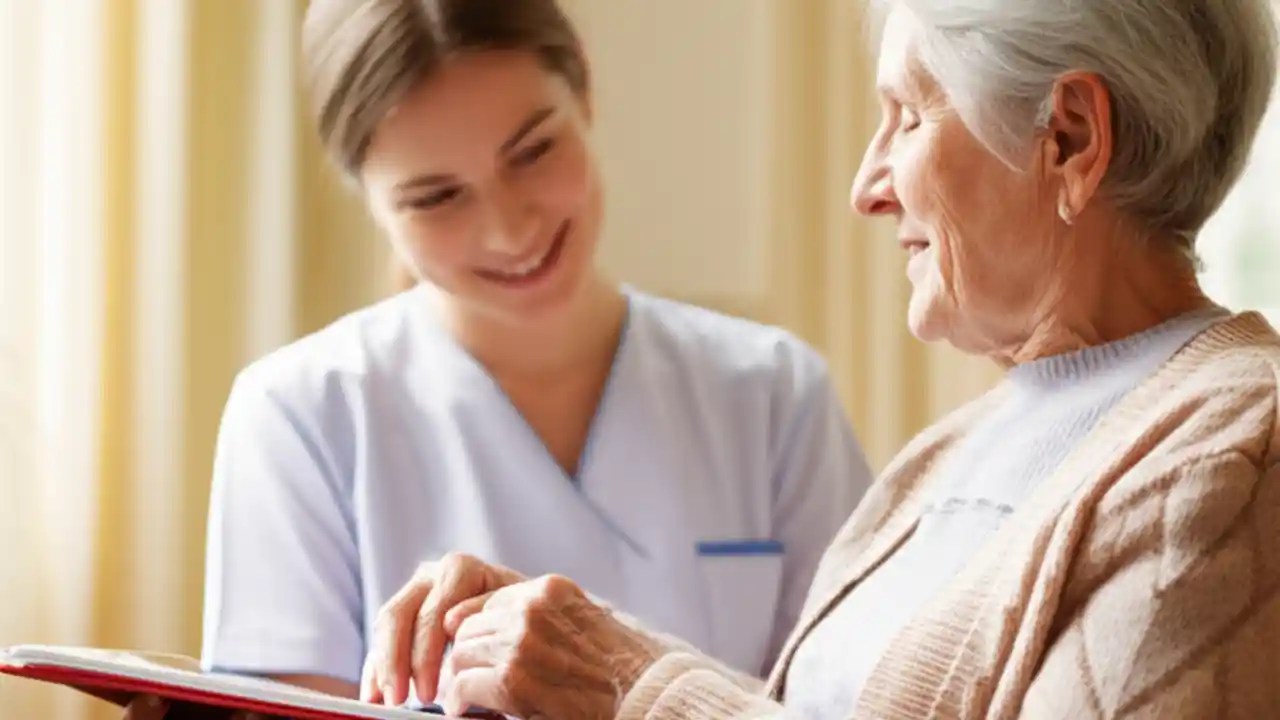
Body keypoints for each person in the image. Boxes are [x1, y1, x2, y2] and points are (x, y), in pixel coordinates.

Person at [363, 0, 1280, 718]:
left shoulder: (1229, 456)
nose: (866, 187)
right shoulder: (955, 451)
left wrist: (621, 685)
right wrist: (553, 651)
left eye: (907, 117)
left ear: (1071, 138)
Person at [121, 0, 873, 717]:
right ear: (367, 196)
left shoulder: (772, 394)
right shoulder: (301, 415)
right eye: (436, 198)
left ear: (583, 84)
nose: (509, 230)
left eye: (534, 151)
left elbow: (862, 702)